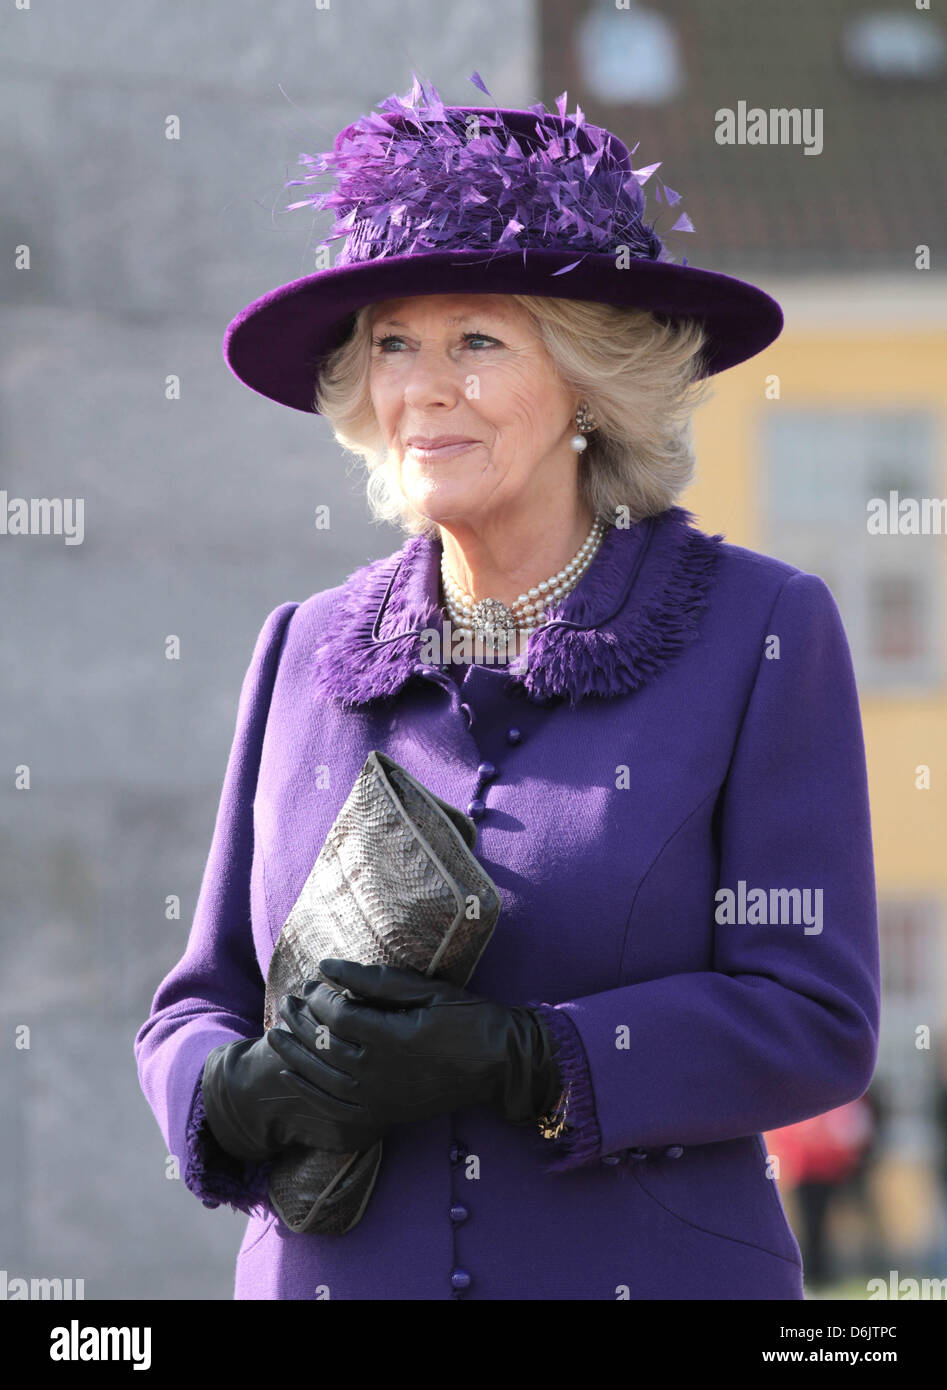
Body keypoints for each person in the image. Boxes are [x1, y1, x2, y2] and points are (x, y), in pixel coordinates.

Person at [134, 73, 881, 1301]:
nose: (422, 386)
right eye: (392, 345)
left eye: (475, 340)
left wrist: (526, 1058)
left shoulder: (757, 628)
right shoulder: (302, 646)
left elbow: (812, 1014)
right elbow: (197, 1000)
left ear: (589, 384)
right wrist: (233, 1086)